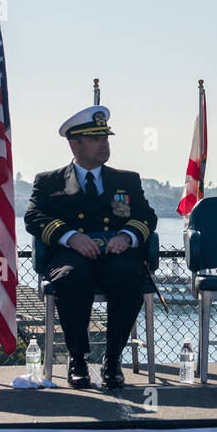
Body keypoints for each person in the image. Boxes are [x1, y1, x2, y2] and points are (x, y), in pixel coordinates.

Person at [24, 105, 156, 390]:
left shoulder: (126, 179)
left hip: (116, 254)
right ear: (75, 144)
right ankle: (78, 358)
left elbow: (147, 217)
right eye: (96, 139)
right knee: (72, 278)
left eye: (106, 138)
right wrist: (71, 236)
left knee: (129, 275)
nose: (104, 144)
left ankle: (112, 359)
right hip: (72, 256)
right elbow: (33, 217)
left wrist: (127, 237)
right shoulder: (49, 181)